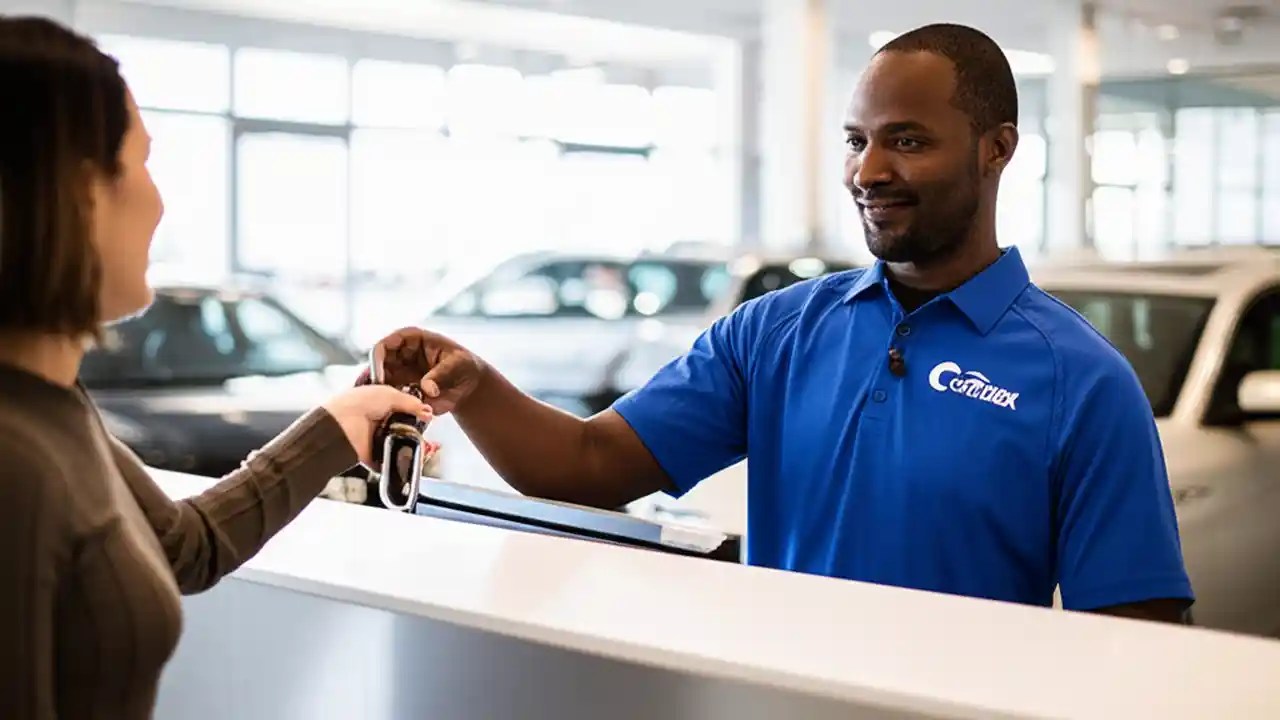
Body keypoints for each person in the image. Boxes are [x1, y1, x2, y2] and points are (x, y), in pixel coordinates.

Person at [367, 24, 1194, 622]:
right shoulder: (776, 334)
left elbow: (1139, 640)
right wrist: (474, 387)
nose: (869, 171)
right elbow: (587, 464)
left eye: (907, 140)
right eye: (856, 140)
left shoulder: (1080, 381)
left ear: (996, 148)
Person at [0, 16, 433, 719]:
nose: (160, 201)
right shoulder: (14, 459)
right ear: (81, 196)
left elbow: (182, 547)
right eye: (139, 163)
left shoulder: (54, 404)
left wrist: (336, 426)